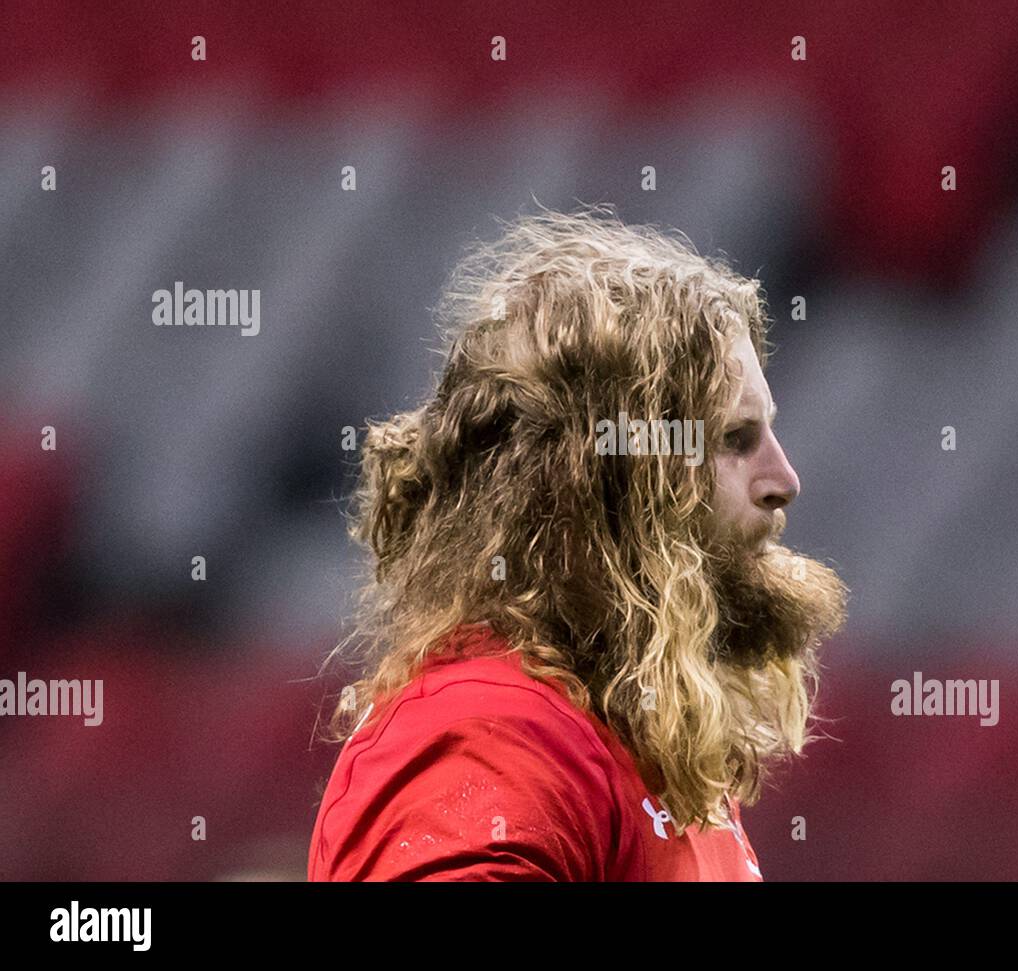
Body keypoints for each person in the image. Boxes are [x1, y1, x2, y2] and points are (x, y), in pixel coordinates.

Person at [308, 204, 847, 881]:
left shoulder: (642, 744)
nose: (784, 478)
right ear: (610, 483)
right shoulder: (489, 737)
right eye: (735, 440)